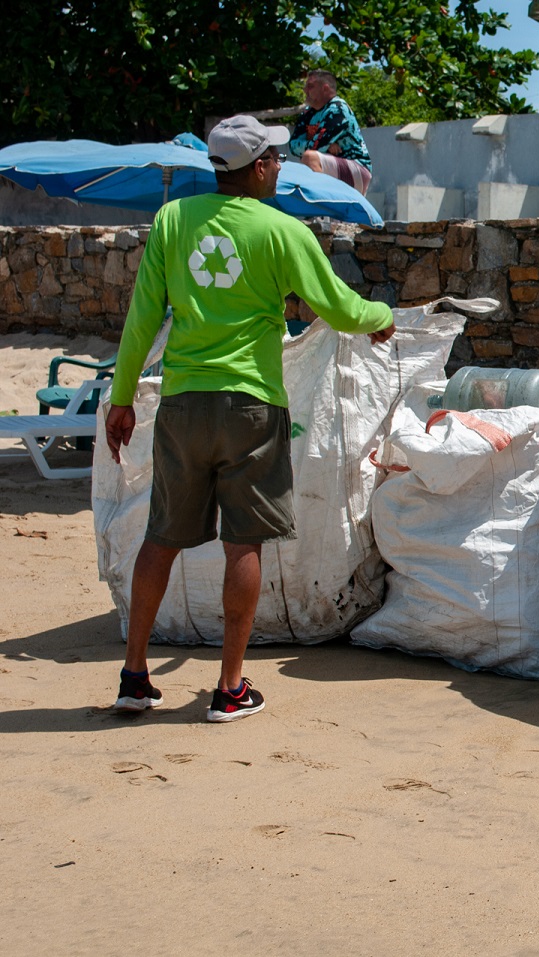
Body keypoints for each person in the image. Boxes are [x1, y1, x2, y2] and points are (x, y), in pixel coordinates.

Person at [107, 115, 395, 722]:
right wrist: (380, 316)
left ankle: (135, 677)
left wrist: (123, 398)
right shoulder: (282, 230)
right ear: (258, 166)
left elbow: (141, 320)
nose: (280, 169)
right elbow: (338, 308)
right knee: (244, 542)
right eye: (276, 160)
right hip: (251, 405)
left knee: (161, 537)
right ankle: (229, 689)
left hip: (183, 404)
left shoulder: (171, 221)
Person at [290, 69, 373, 195]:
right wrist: (327, 146)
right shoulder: (308, 113)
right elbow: (292, 145)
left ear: (325, 88)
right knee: (304, 160)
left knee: (309, 157)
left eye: (310, 86)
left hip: (358, 168)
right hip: (332, 165)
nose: (305, 90)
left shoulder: (337, 109)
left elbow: (315, 147)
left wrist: (321, 146)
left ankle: (318, 210)